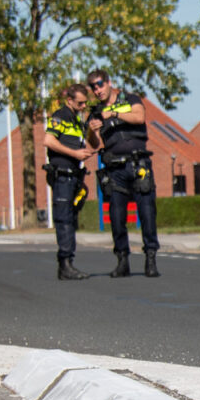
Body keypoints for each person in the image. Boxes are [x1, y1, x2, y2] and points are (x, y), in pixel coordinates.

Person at [86, 69, 159, 277]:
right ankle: (122, 260)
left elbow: (139, 117)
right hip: (115, 169)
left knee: (146, 212)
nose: (97, 90)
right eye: (93, 87)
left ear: (109, 82)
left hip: (138, 165)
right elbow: (93, 144)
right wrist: (92, 129)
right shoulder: (96, 111)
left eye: (100, 84)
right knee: (117, 216)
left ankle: (150, 258)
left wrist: (114, 113)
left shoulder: (129, 98)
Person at [43, 83, 96, 280]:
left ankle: (68, 263)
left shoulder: (77, 121)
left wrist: (93, 132)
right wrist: (74, 153)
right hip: (62, 175)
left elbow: (92, 144)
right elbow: (48, 141)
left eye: (85, 103)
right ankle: (64, 265)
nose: (84, 107)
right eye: (80, 103)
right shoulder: (60, 116)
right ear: (69, 101)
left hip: (73, 175)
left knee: (70, 219)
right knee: (64, 220)